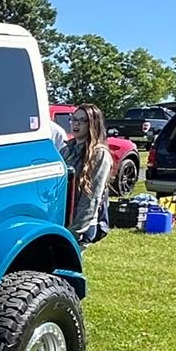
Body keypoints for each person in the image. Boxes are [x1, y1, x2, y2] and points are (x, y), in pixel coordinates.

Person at [64, 103, 113, 245]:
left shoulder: (100, 154)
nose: (76, 124)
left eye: (82, 120)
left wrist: (75, 231)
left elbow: (92, 198)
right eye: (73, 119)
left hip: (81, 226)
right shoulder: (66, 150)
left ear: (93, 124)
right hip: (64, 219)